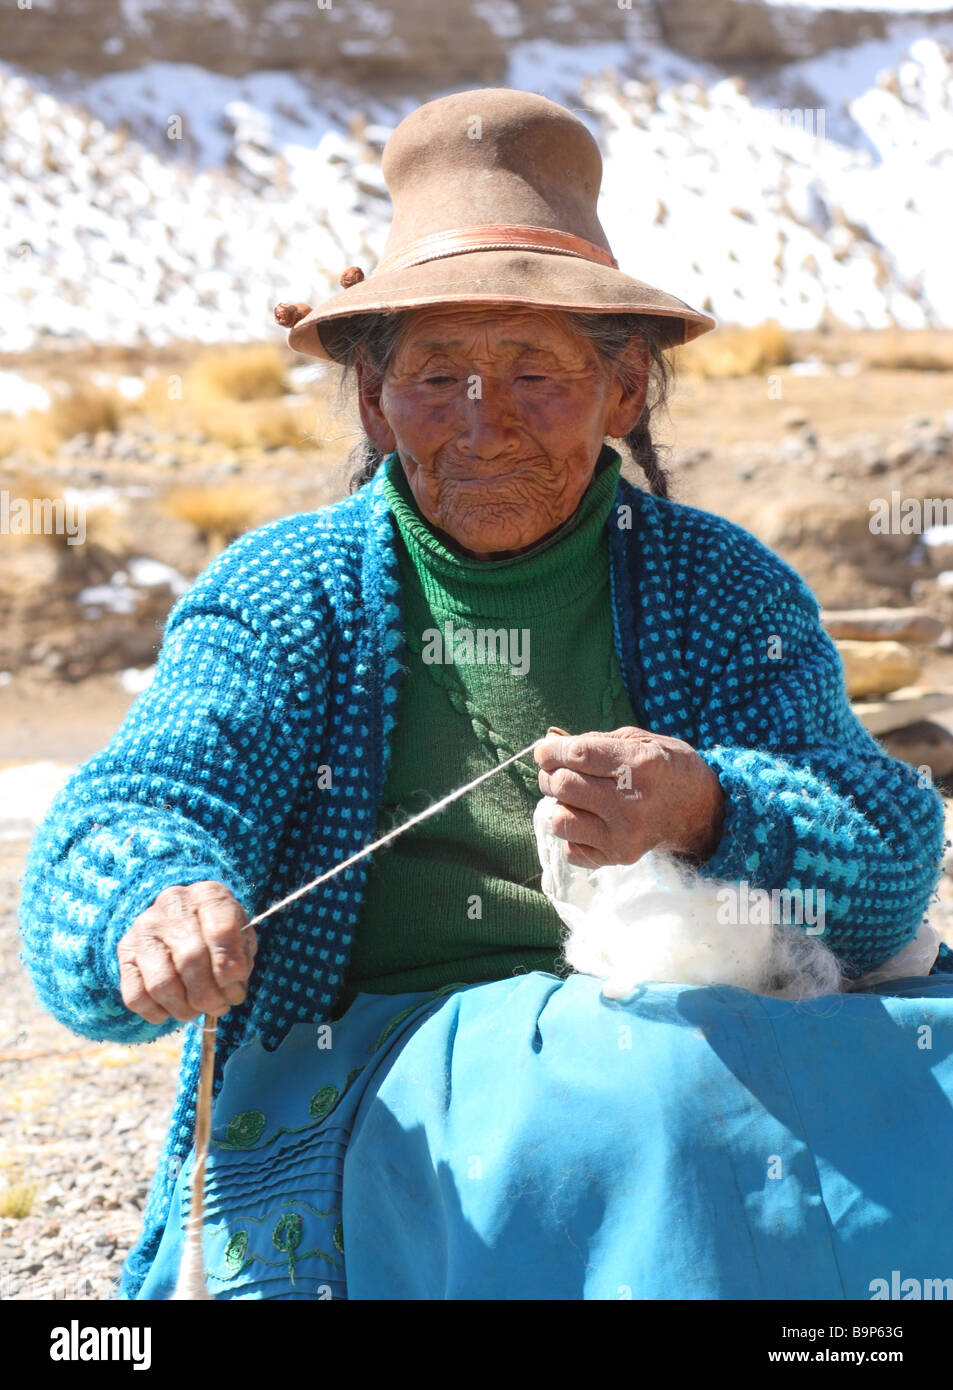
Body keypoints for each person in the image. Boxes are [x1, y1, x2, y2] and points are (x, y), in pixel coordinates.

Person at [19, 89, 953, 1301]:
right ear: (374, 401)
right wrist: (152, 903)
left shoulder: (717, 587)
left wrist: (706, 808)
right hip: (389, 1053)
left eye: (532, 372)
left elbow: (885, 860)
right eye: (437, 374)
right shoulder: (286, 595)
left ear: (621, 394)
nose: (482, 420)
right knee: (651, 1102)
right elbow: (136, 805)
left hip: (702, 1028)